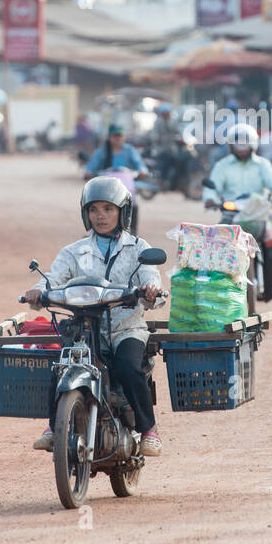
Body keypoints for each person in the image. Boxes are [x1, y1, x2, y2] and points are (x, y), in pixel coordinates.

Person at [24, 177, 164, 456]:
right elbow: (53, 279)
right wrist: (38, 292)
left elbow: (153, 281)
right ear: (85, 214)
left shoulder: (138, 248)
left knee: (128, 367)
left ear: (123, 212)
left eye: (108, 209)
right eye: (94, 210)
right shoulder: (73, 251)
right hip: (86, 329)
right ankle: (53, 427)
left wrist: (151, 290)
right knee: (62, 365)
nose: (101, 216)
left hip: (127, 328)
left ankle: (149, 430)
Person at [205, 123, 272, 291]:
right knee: (216, 239)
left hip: (258, 213)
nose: (241, 149)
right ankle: (215, 278)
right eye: (237, 144)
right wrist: (210, 199)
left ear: (253, 145)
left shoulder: (262, 164)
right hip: (231, 214)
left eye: (245, 144)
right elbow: (212, 188)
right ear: (231, 146)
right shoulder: (222, 166)